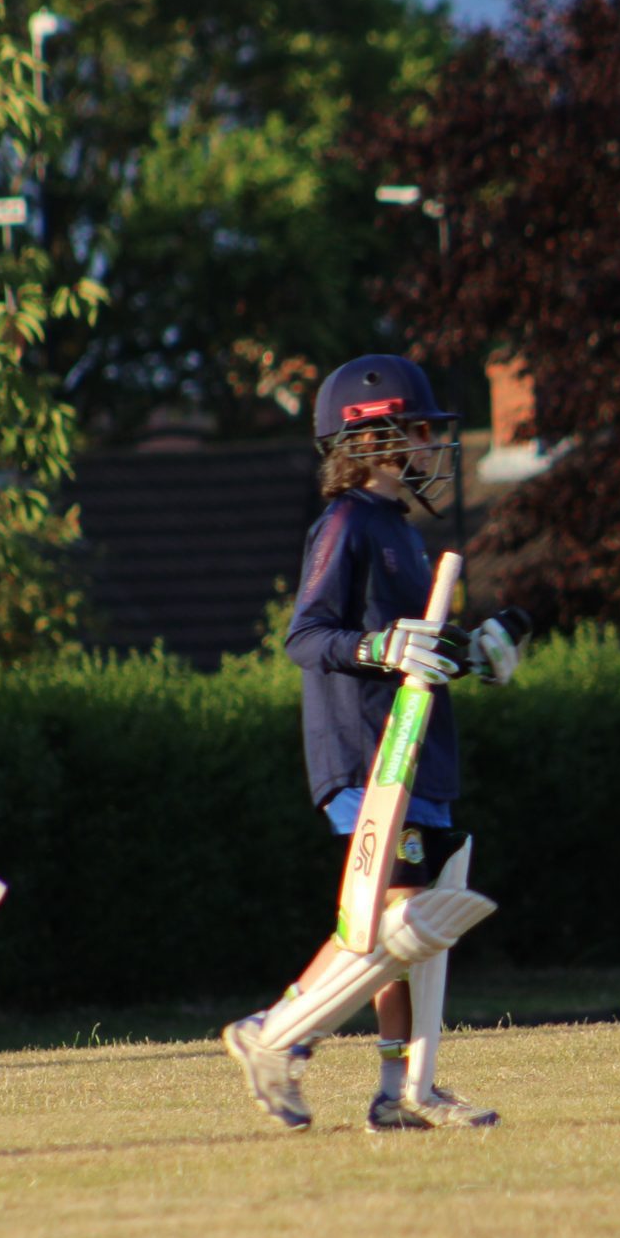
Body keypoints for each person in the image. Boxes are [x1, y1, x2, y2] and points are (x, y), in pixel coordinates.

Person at [220, 355, 527, 1132]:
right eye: (419, 429)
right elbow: (310, 635)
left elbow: (415, 647)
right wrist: (384, 648)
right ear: (374, 434)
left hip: (420, 752)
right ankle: (274, 1032)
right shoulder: (347, 520)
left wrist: (472, 651)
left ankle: (405, 1089)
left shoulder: (398, 528)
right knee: (395, 916)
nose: (430, 445)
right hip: (367, 754)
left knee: (416, 928)